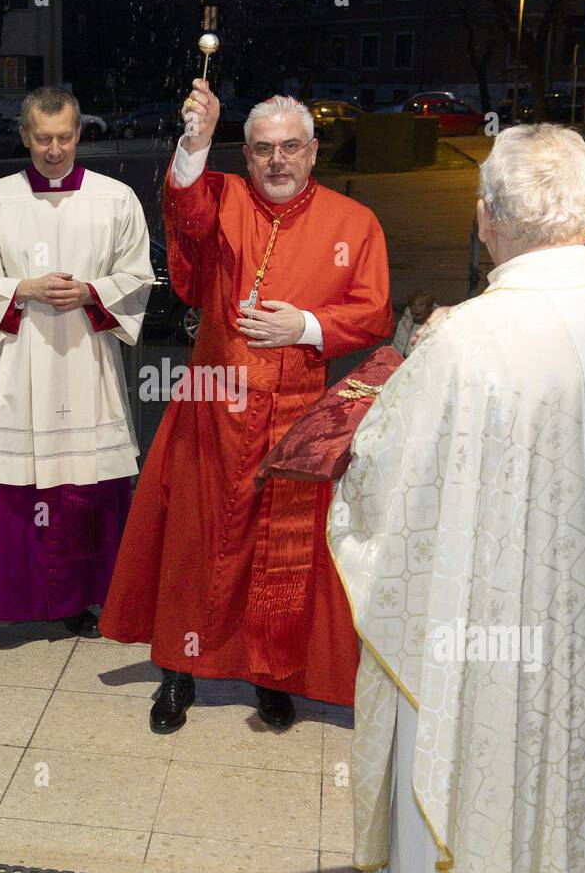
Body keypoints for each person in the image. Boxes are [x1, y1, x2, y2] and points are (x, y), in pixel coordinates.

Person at [329, 123, 585, 873]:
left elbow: (384, 483)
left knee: (481, 753)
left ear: (486, 219)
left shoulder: (464, 343)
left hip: (494, 642)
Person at [100, 80, 393, 733]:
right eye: (263, 149)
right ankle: (179, 669)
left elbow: (375, 312)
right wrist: (195, 143)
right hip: (214, 407)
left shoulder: (354, 223)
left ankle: (271, 674)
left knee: (279, 553)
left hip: (297, 417)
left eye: (290, 147)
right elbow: (187, 216)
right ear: (247, 153)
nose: (277, 160)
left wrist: (307, 327)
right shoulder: (224, 196)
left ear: (312, 151)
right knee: (195, 543)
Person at [0, 87, 153, 658]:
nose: (55, 150)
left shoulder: (116, 199)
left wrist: (91, 292)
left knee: (84, 485)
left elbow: (139, 276)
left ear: (79, 133)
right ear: (24, 136)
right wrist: (23, 288)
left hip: (86, 362)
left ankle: (81, 598)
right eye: (43, 138)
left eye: (64, 137)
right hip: (17, 365)